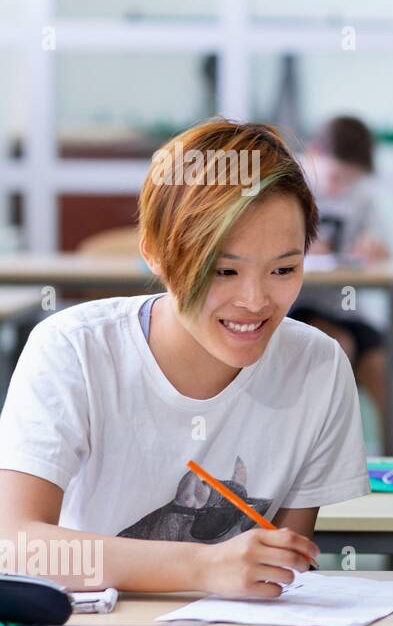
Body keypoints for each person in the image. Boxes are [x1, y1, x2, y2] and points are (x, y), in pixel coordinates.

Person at [0, 119, 369, 596]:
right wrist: (202, 567)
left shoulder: (317, 366)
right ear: (154, 253)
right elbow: (14, 544)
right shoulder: (75, 348)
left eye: (284, 268)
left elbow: (282, 572)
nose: (255, 300)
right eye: (224, 270)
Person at [291, 115, 393, 455]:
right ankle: (329, 467)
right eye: (336, 177)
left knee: (384, 370)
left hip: (341, 306)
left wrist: (373, 248)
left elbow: (384, 248)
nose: (342, 187)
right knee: (337, 348)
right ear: (314, 154)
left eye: (351, 180)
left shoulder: (360, 197)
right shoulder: (288, 184)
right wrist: (296, 247)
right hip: (295, 308)